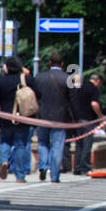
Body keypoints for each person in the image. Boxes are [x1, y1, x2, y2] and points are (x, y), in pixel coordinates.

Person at [0, 57, 33, 182]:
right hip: (22, 118)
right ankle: (20, 176)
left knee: (5, 141)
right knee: (21, 145)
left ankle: (4, 161)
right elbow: (38, 94)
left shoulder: (0, 81)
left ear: (7, 67)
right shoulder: (27, 80)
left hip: (5, 117)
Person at [32, 52, 73, 182]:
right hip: (60, 118)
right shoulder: (68, 78)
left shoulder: (39, 77)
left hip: (42, 116)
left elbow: (35, 97)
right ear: (62, 64)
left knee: (42, 142)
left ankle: (43, 166)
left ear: (49, 63)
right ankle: (54, 175)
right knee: (57, 145)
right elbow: (71, 100)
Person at [69, 72, 104, 175]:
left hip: (79, 120)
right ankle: (85, 167)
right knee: (87, 144)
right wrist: (100, 116)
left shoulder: (80, 87)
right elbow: (94, 103)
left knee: (79, 144)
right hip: (88, 120)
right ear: (98, 81)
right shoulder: (93, 89)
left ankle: (77, 167)